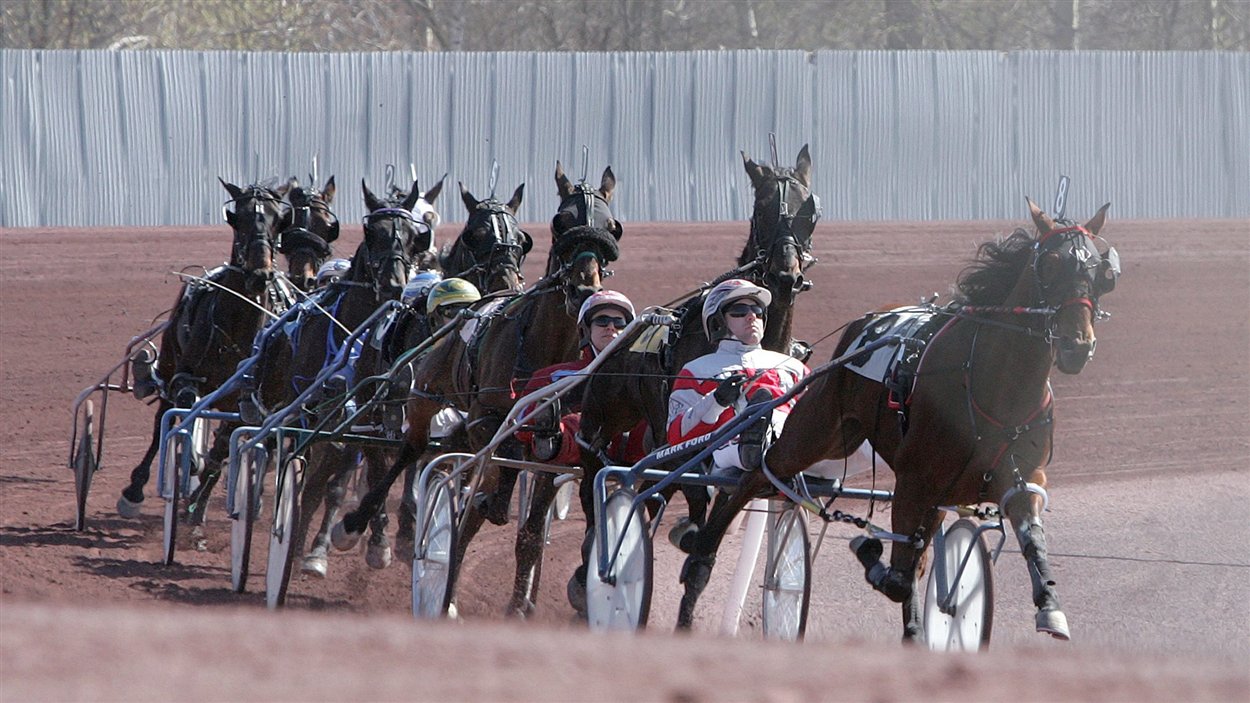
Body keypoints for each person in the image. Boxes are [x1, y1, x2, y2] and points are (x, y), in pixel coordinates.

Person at [666, 278, 809, 481]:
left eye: (757, 311)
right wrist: (716, 401)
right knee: (737, 442)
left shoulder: (793, 366)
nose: (751, 316)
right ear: (718, 321)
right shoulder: (696, 370)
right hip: (728, 452)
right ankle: (752, 441)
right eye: (740, 311)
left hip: (797, 446)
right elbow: (676, 436)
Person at [515, 289, 644, 465]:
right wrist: (541, 420)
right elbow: (518, 425)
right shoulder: (555, 376)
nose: (611, 327)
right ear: (586, 330)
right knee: (579, 422)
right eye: (602, 321)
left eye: (619, 322)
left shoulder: (641, 373)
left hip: (632, 451)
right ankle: (551, 436)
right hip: (575, 449)